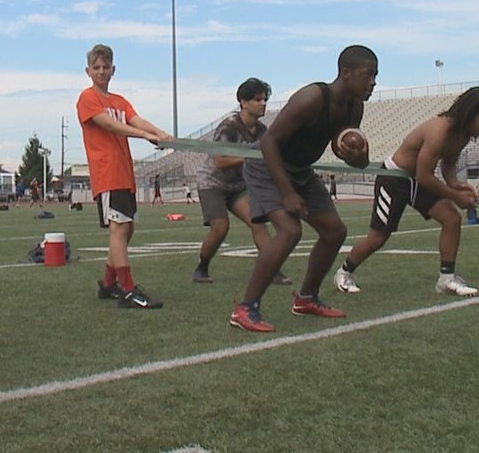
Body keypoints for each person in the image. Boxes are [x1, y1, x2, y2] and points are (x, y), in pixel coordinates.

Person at [230, 45, 377, 333]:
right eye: (367, 75)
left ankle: (307, 298)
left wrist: (359, 157)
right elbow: (270, 142)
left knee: (335, 231)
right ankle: (245, 308)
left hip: (300, 170)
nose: (373, 82)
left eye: (376, 76)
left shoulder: (354, 107)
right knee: (290, 231)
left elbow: (345, 148)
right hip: (269, 167)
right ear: (346, 74)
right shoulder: (312, 98)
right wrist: (287, 193)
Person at [334, 87, 479, 297]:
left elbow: (448, 161)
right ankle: (344, 272)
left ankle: (446, 279)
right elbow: (425, 176)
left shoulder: (463, 134)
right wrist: (456, 196)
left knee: (451, 219)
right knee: (378, 236)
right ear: (469, 113)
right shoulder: (440, 130)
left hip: (416, 180)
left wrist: (455, 183)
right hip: (395, 179)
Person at [78, 43, 172, 310]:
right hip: (107, 172)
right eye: (96, 67)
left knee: (127, 229)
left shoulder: (119, 101)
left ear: (113, 69)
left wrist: (160, 133)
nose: (101, 71)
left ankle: (109, 284)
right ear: (88, 71)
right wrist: (145, 136)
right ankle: (128, 291)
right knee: (118, 229)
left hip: (124, 173)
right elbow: (110, 125)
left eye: (106, 67)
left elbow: (135, 119)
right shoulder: (87, 98)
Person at [191, 78, 289, 286]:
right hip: (213, 183)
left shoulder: (263, 131)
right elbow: (220, 161)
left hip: (237, 186)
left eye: (265, 99)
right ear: (243, 102)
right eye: (257, 99)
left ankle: (272, 269)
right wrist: (250, 156)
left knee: (258, 223)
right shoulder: (229, 126)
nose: (263, 103)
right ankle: (202, 267)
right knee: (220, 227)